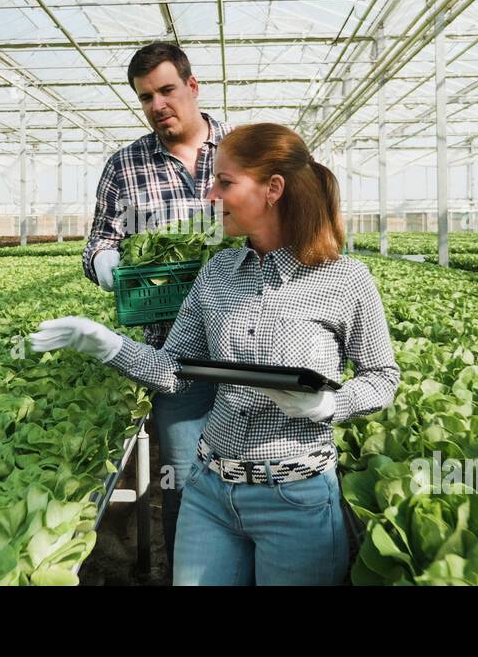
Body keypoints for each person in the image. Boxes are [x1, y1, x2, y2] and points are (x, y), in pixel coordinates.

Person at [34, 122, 401, 585]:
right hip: (209, 491)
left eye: (225, 182)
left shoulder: (345, 279)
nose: (210, 194)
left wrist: (331, 403)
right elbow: (175, 371)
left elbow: (382, 376)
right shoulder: (218, 272)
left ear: (273, 189)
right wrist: (104, 344)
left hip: (296, 499)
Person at [80, 42, 229, 576]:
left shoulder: (246, 152)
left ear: (192, 86)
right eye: (146, 97)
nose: (158, 104)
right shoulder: (125, 165)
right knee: (185, 483)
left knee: (263, 480)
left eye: (167, 90)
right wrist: (109, 266)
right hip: (173, 361)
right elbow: (98, 242)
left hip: (256, 352)